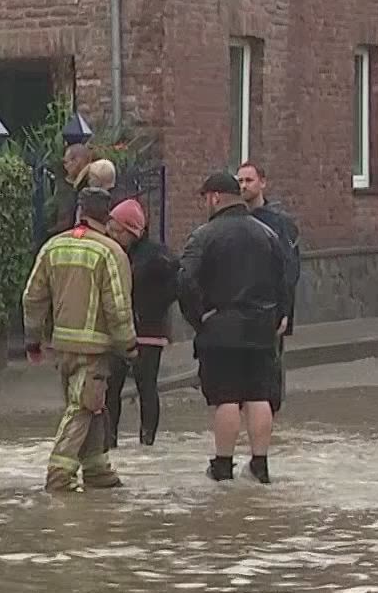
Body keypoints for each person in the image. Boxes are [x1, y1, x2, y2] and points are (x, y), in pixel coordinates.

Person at [178, 172, 290, 484]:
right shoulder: (267, 234)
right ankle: (260, 464)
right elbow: (284, 277)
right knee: (259, 396)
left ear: (214, 197)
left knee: (225, 397)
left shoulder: (204, 236)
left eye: (205, 198)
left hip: (220, 329)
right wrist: (280, 314)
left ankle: (223, 465)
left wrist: (198, 317)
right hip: (261, 329)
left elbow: (185, 279)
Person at [23, 187, 137, 492]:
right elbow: (118, 305)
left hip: (62, 346)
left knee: (92, 406)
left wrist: (33, 339)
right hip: (96, 348)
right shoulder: (110, 252)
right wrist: (128, 344)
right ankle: (59, 473)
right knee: (83, 406)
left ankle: (98, 470)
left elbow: (33, 297)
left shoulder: (53, 247)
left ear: (79, 212)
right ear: (108, 216)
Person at [106, 197, 177, 448]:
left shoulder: (156, 257)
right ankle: (109, 441)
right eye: (110, 229)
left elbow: (175, 285)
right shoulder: (115, 253)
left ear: (133, 230)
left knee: (146, 386)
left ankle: (147, 443)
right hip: (119, 331)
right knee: (110, 387)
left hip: (148, 332)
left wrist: (151, 310)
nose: (112, 235)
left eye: (117, 230)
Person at [237, 161, 301, 411]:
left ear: (262, 183)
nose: (244, 186)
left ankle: (270, 414)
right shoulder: (235, 219)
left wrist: (284, 310)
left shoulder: (278, 223)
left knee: (270, 366)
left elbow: (288, 269)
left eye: (248, 180)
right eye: (240, 181)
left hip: (270, 308)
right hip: (241, 306)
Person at [48, 144, 94, 238]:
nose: (64, 166)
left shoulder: (91, 186)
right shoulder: (59, 184)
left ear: (77, 161)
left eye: (65, 162)